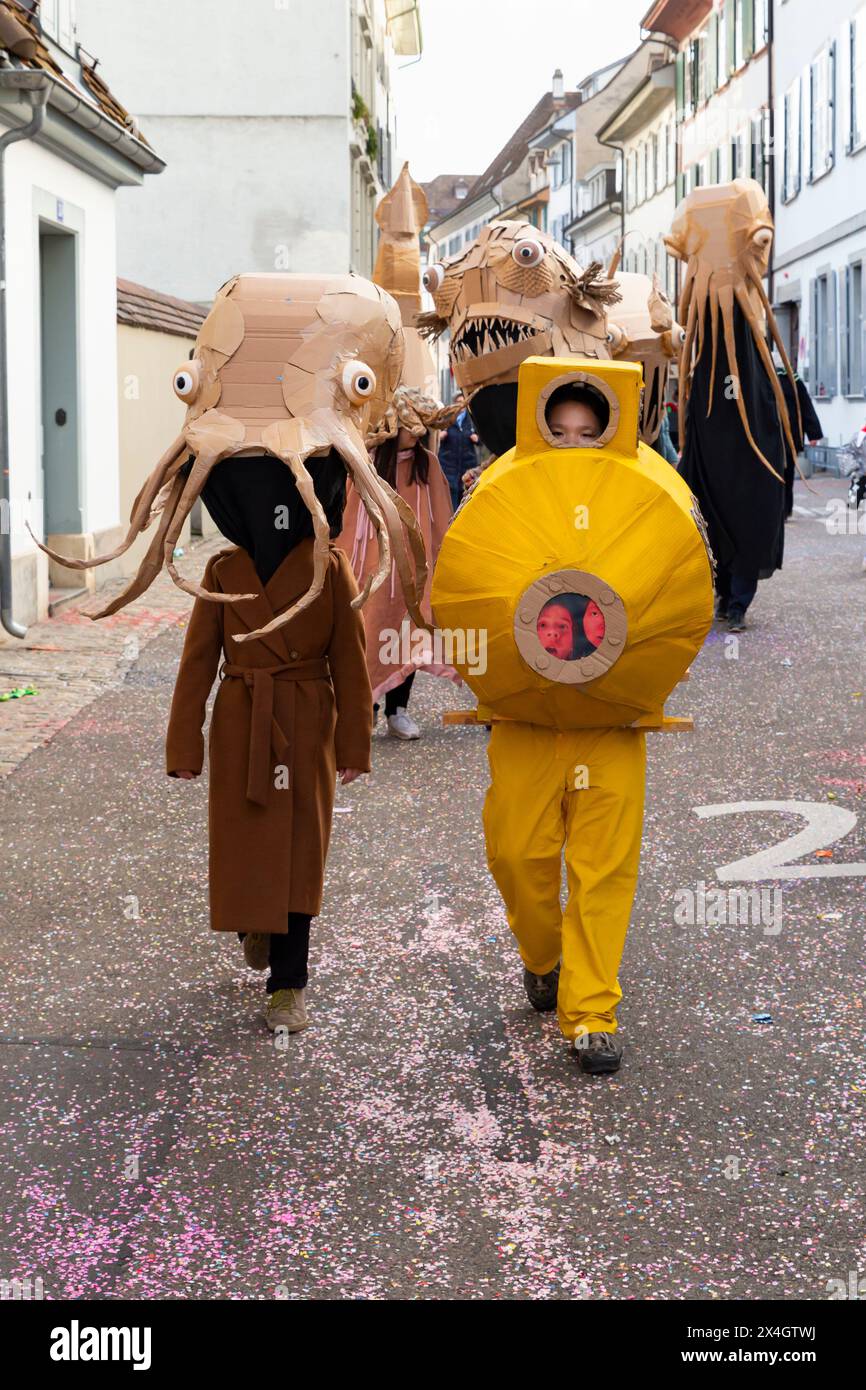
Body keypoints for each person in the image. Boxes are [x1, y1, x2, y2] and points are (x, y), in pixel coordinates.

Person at [166, 452, 373, 1035]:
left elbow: (350, 663)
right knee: (243, 842)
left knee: (299, 853)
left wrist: (354, 745)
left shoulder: (327, 568)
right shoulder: (223, 571)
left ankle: (288, 984)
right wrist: (186, 745)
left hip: (306, 720)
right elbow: (198, 661)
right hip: (242, 719)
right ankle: (251, 922)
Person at [338, 417, 458, 740]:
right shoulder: (370, 460)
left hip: (413, 569)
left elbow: (440, 512)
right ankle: (368, 708)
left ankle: (397, 710)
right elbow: (349, 511)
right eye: (409, 424)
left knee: (408, 637)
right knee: (372, 632)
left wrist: (439, 558)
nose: (417, 431)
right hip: (376, 567)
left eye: (421, 425)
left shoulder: (427, 463)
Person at [437, 391, 478, 510]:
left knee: (465, 498)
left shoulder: (472, 420)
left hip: (467, 466)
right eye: (458, 402)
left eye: (462, 402)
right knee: (450, 497)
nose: (461, 405)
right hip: (449, 466)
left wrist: (476, 438)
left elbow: (481, 440)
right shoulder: (447, 419)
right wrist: (441, 435)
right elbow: (436, 435)